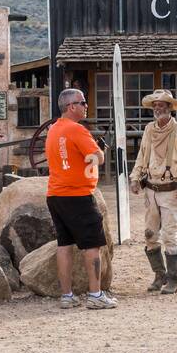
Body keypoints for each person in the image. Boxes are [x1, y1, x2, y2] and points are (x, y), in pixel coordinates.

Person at [45, 88, 116, 309]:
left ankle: (67, 295)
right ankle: (95, 294)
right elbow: (98, 157)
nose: (86, 106)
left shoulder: (53, 129)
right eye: (82, 102)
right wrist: (99, 151)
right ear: (71, 106)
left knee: (64, 244)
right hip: (78, 194)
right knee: (92, 245)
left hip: (56, 194)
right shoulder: (77, 130)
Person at [129, 89, 177, 295]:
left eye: (161, 105)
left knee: (170, 234)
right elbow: (142, 156)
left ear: (169, 108)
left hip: (170, 190)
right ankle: (159, 275)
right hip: (151, 189)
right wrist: (135, 177)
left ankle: (173, 279)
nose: (158, 108)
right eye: (155, 105)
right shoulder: (149, 130)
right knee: (150, 234)